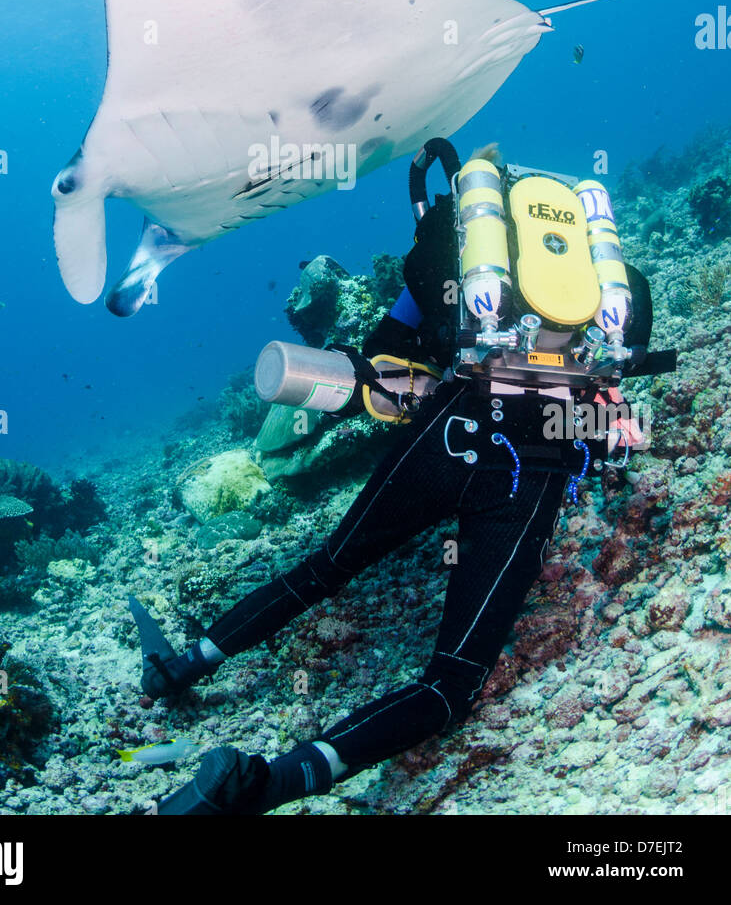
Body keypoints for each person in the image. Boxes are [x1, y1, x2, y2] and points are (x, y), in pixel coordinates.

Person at [129, 139, 667, 816]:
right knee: (449, 683)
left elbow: (386, 368)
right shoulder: (621, 287)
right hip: (531, 471)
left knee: (323, 569)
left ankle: (183, 667)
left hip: (448, 433)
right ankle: (267, 785)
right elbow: (613, 410)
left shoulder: (443, 252)